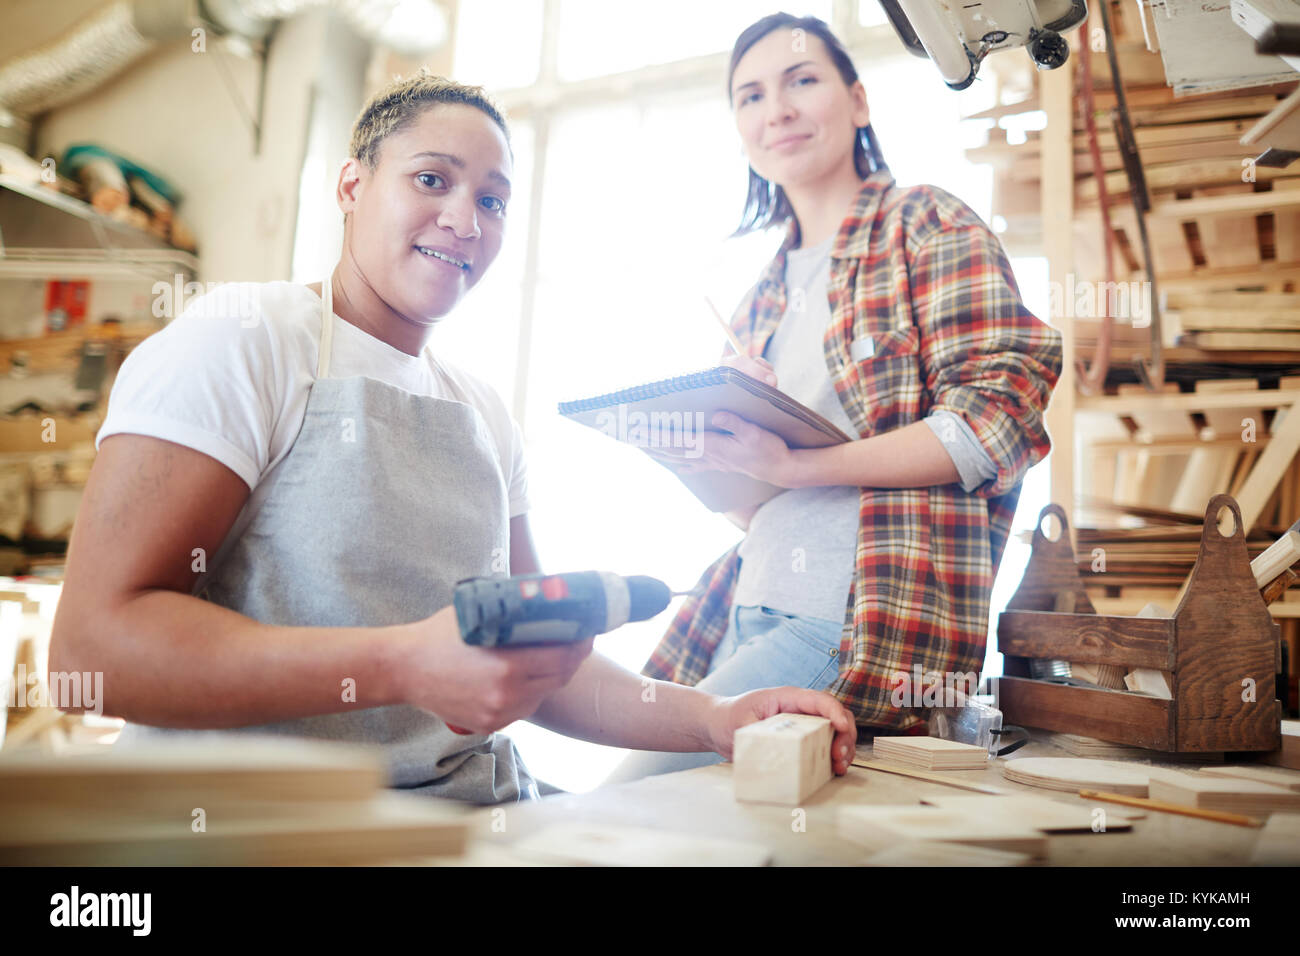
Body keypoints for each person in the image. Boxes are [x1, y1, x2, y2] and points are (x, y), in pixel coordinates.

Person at [49, 70, 856, 804]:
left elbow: (547, 671)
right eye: (431, 179)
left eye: (494, 200)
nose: (466, 221)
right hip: (264, 829)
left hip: (472, 817)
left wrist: (713, 719)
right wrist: (399, 665)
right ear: (352, 185)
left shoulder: (480, 411)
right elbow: (91, 655)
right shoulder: (246, 340)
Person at [607, 14, 1062, 783]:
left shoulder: (927, 225)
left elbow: (997, 423)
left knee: (618, 811)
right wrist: (693, 456)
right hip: (744, 606)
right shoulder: (759, 303)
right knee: (651, 803)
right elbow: (757, 506)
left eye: (801, 80)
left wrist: (799, 467)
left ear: (858, 101)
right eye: (749, 96)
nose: (775, 110)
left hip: (849, 619)